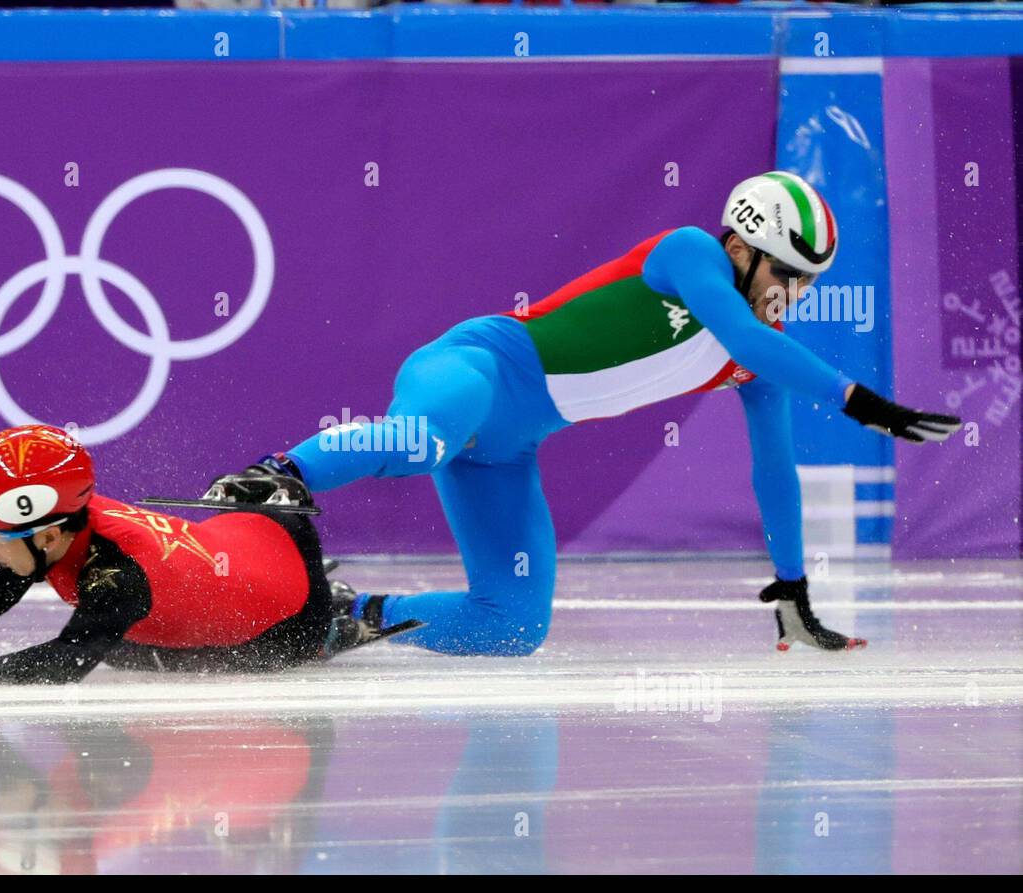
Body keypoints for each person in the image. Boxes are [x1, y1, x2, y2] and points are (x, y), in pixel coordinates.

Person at [206, 171, 962, 654]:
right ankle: (274, 476)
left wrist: (793, 585)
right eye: (785, 275)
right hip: (478, 368)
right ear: (740, 246)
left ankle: (352, 616)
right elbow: (739, 332)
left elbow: (775, 472)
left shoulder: (759, 358)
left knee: (513, 623)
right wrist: (858, 400)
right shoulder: (691, 253)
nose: (792, 295)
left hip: (506, 450)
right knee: (421, 444)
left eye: (807, 284)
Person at [0, 424, 388, 689]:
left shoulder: (119, 576)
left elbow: (66, 663)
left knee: (123, 651)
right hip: (251, 540)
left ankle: (335, 616)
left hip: (287, 624)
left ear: (48, 536)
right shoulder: (68, 526)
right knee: (120, 639)